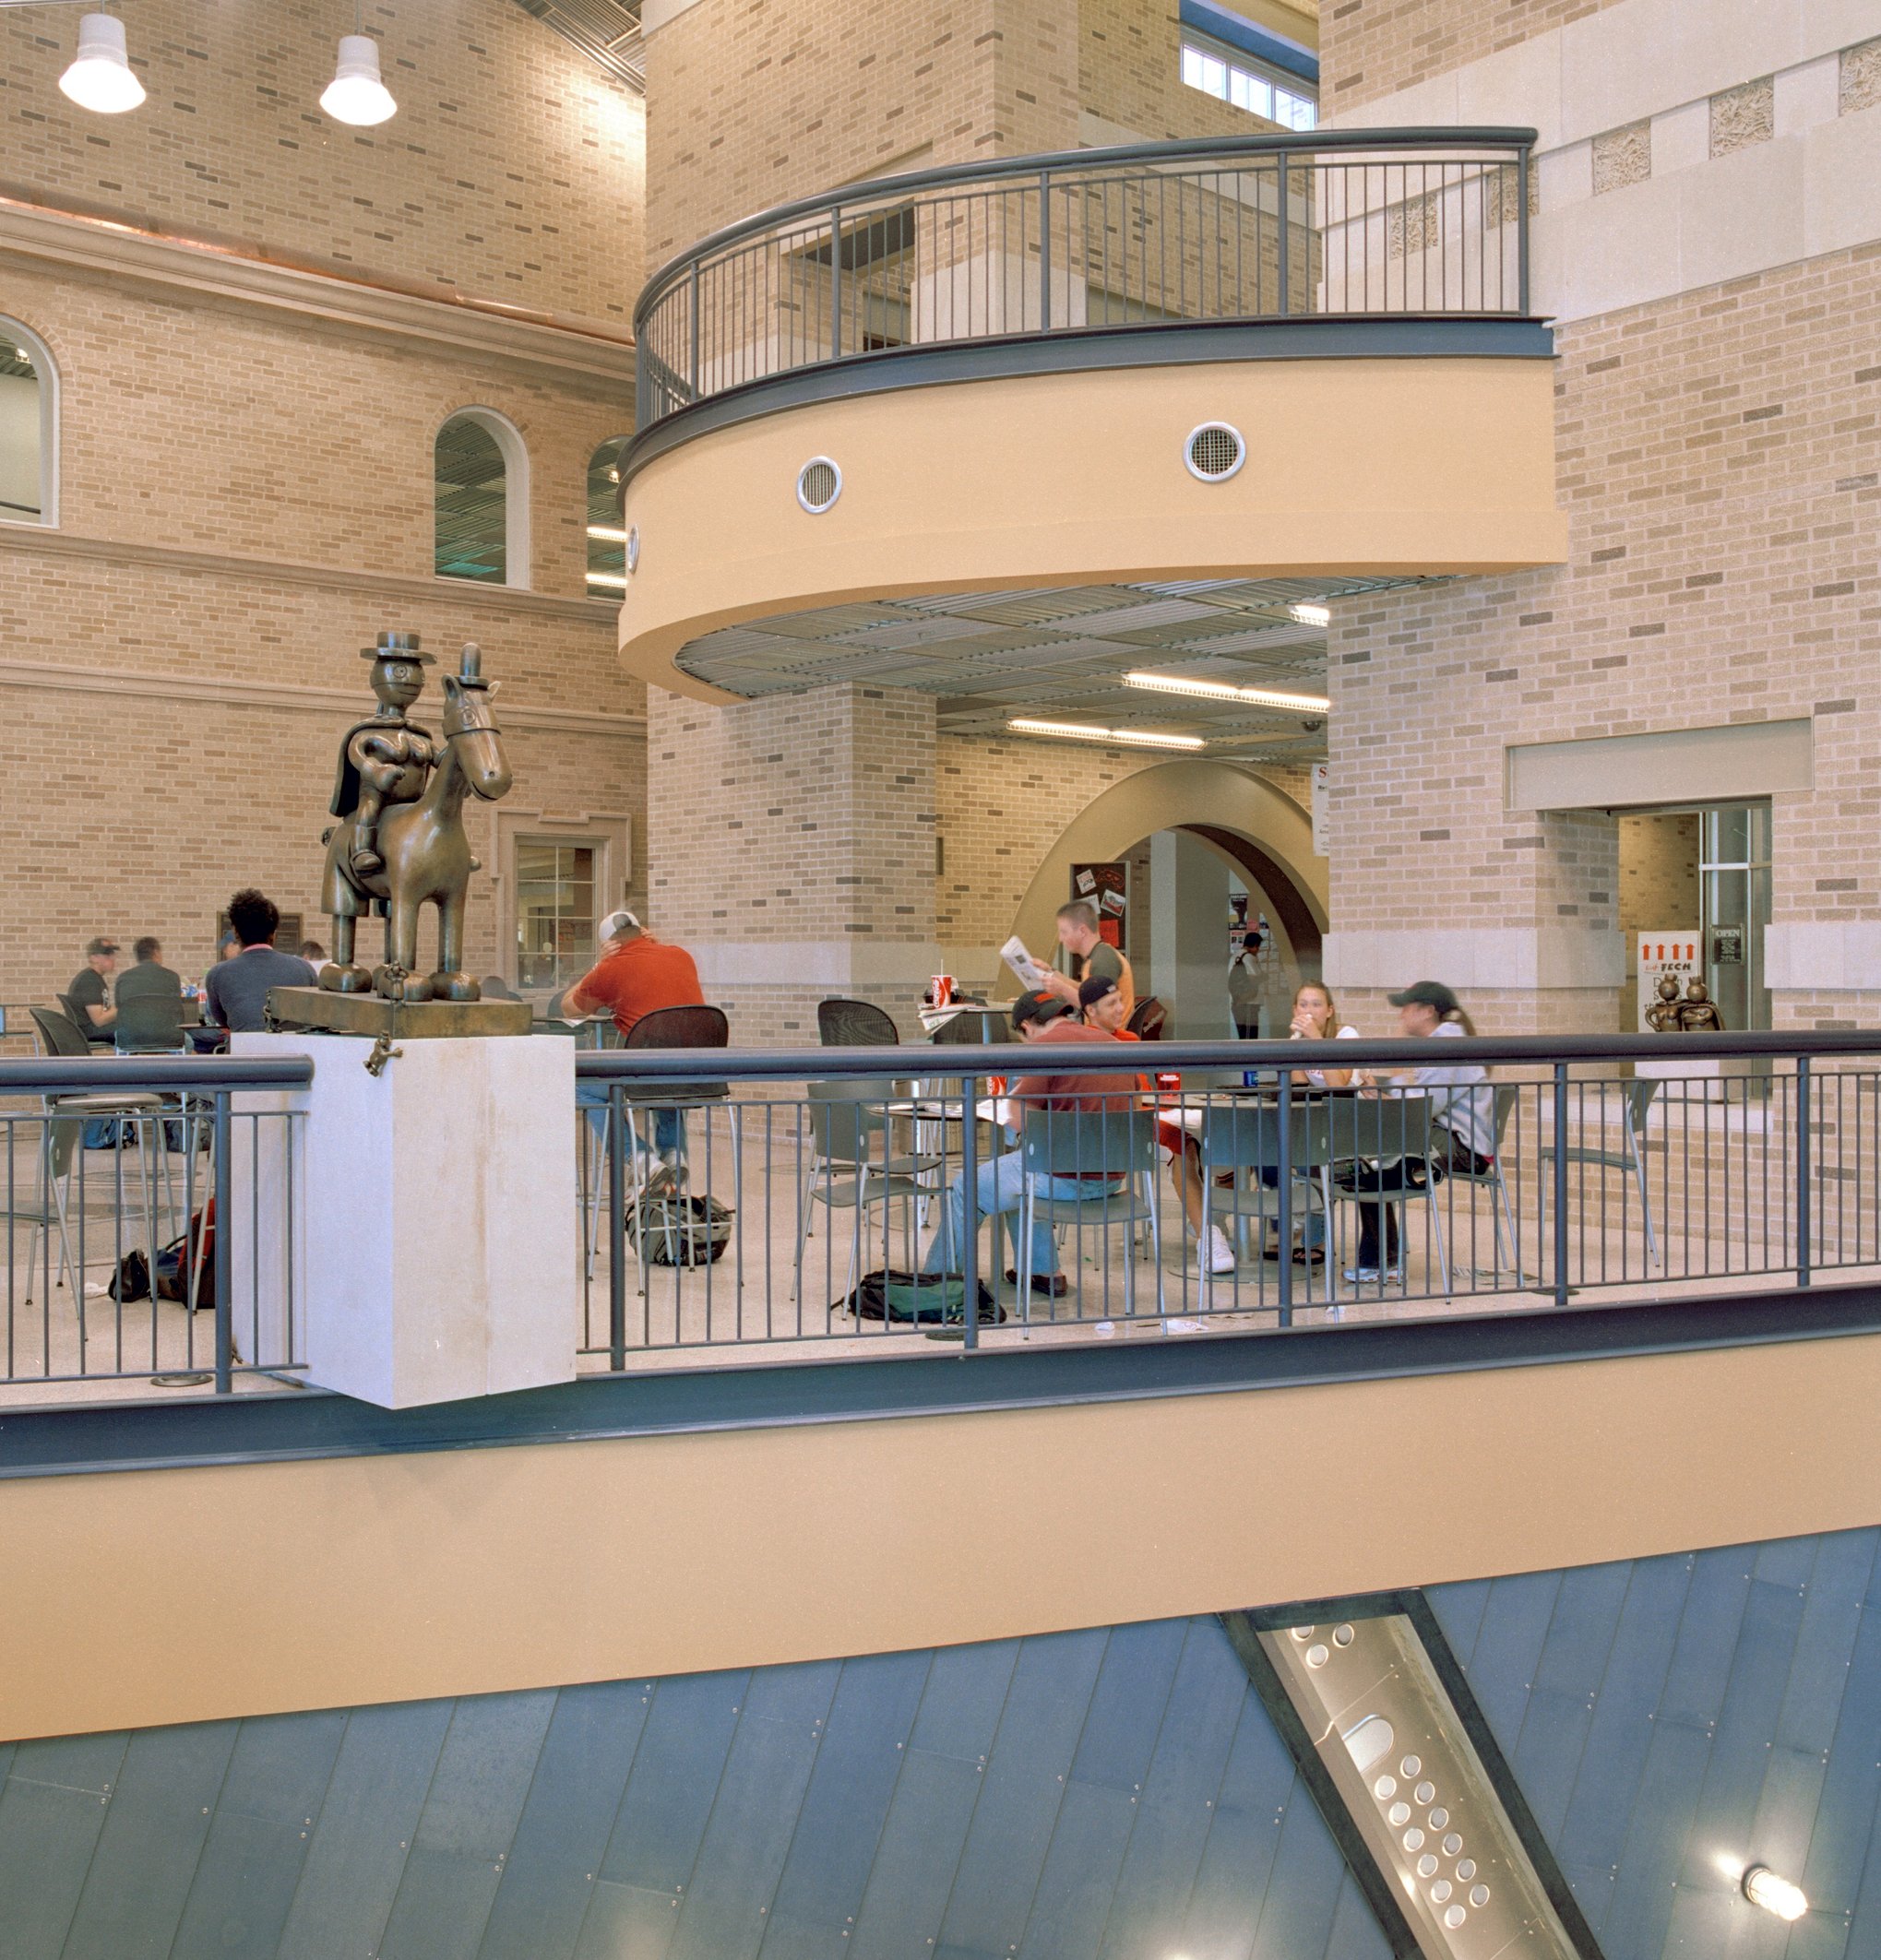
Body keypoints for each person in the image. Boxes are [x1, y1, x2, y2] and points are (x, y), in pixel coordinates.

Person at [919, 988, 1135, 1299]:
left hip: (1064, 1178)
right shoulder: (1112, 1043)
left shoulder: (1045, 1046)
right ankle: (1044, 1272)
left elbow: (1019, 1117)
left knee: (966, 1185)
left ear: (1026, 1027)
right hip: (1112, 1177)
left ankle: (937, 1282)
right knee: (1011, 1178)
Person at [1339, 980, 1494, 1285]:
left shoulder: (1445, 1043)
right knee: (1372, 1168)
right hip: (1457, 1141)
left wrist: (1386, 1093)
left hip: (1461, 1148)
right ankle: (1383, 1260)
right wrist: (1389, 1092)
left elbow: (1424, 1107)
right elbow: (1424, 1098)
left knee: (1367, 1172)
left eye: (1407, 1009)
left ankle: (1381, 1262)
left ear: (1427, 1012)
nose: (1402, 1016)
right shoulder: (1448, 1040)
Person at [1084, 973, 1235, 1275]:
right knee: (1186, 1140)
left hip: (1141, 1115)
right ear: (1090, 1011)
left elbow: (1143, 1093)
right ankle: (1208, 1224)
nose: (1119, 1009)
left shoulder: (1130, 1040)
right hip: (1099, 1124)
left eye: (1120, 1002)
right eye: (1110, 1004)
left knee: (1188, 1141)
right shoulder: (1080, 1041)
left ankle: (1208, 1231)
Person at [560, 909, 705, 1181]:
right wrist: (657, 947)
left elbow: (568, 1008)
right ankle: (674, 1154)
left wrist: (598, 965)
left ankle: (640, 1158)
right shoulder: (682, 955)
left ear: (609, 943)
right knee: (666, 1066)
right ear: (642, 932)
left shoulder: (610, 968)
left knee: (576, 1086)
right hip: (697, 1075)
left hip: (649, 1076)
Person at [204, 891, 317, 1033]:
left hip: (243, 1052)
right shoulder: (305, 969)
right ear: (274, 934)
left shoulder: (217, 974)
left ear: (236, 932)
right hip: (294, 1052)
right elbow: (316, 1017)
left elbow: (223, 1021)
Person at [1037, 901, 1134, 1014]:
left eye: (1064, 932)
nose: (1060, 938)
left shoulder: (1103, 961)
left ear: (1082, 931)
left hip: (1107, 1031)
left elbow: (1098, 1011)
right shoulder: (1098, 955)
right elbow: (1086, 991)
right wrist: (1050, 972)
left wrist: (1062, 989)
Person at [65, 936, 119, 1043]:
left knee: (132, 1025)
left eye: (113, 954)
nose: (112, 958)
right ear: (93, 957)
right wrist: (124, 1008)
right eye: (107, 954)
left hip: (93, 1029)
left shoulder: (95, 978)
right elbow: (99, 1020)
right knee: (132, 1030)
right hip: (89, 1031)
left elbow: (106, 1012)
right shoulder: (89, 981)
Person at [114, 937, 184, 1006]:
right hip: (162, 1017)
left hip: (131, 1017)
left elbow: (119, 1009)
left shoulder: (123, 978)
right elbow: (177, 1008)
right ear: (156, 952)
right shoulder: (172, 977)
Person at [1228, 930, 1266, 1039]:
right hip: (1249, 1003)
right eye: (1258, 946)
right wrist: (1264, 976)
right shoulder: (1249, 958)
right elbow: (1254, 978)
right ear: (1254, 945)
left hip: (1237, 1001)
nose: (1258, 950)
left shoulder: (1235, 957)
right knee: (1251, 1037)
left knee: (1243, 1037)